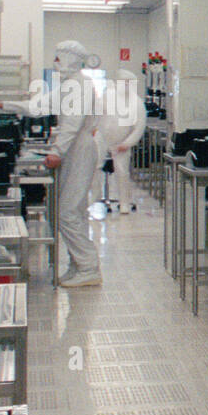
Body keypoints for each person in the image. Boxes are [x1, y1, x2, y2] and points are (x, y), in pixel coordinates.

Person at [47, 40, 104, 287]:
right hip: (76, 147)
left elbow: (72, 122)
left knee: (68, 212)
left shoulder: (79, 85)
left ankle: (89, 267)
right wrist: (2, 104)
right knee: (74, 211)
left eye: (59, 57)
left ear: (70, 57)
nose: (56, 62)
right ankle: (77, 264)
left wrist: (58, 150)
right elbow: (40, 105)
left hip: (79, 147)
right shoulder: (71, 84)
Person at [94, 68, 147, 213]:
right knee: (94, 168)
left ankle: (124, 202)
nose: (124, 85)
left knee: (122, 173)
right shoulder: (107, 96)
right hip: (102, 137)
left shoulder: (136, 103)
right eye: (122, 82)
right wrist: (94, 131)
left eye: (128, 83)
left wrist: (128, 143)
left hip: (122, 141)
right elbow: (96, 114)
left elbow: (139, 127)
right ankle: (93, 199)